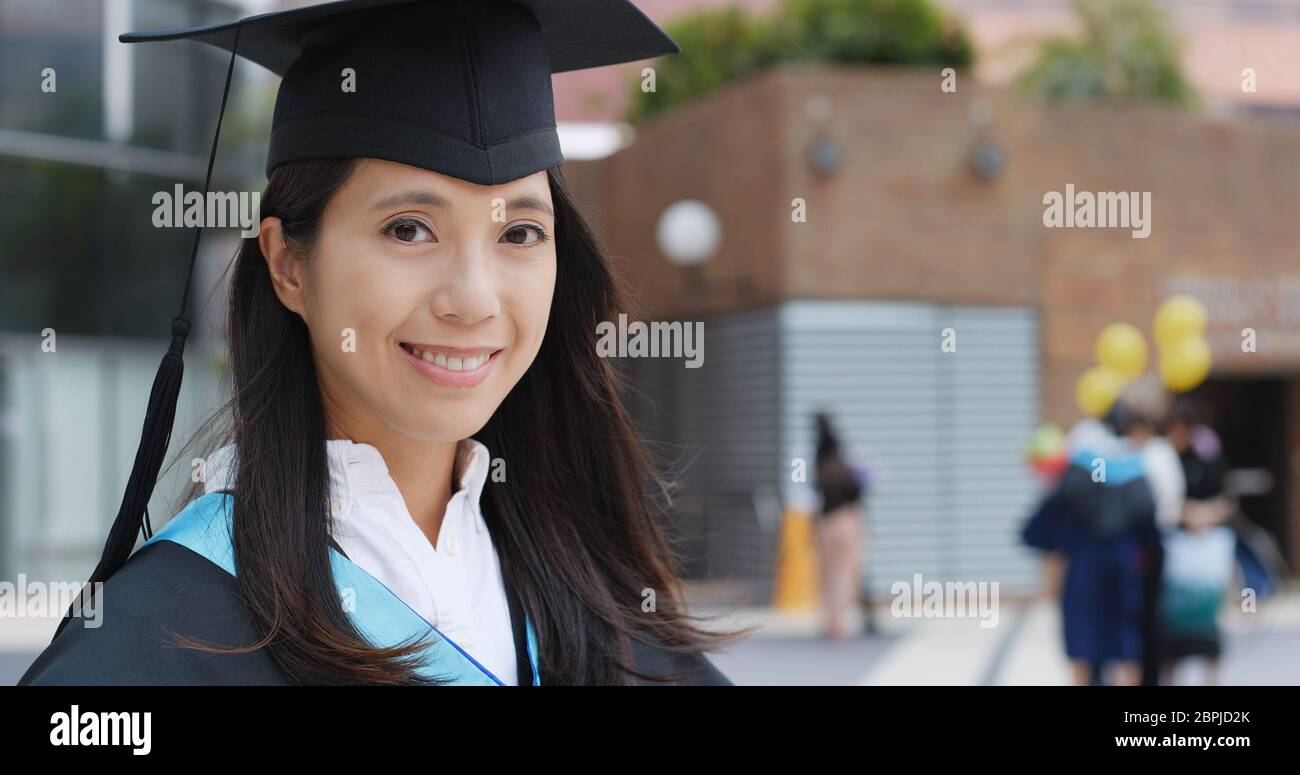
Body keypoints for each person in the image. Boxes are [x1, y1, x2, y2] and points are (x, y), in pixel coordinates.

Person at [20, 0, 738, 686]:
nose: (473, 299)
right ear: (287, 264)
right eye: (409, 229)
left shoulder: (608, 624)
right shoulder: (159, 644)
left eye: (519, 233)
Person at [1053, 376, 1182, 686]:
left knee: (1088, 636)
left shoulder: (1083, 453)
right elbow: (1157, 509)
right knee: (1128, 633)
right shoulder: (1140, 459)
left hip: (1091, 559)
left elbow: (1061, 504)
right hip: (1131, 558)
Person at [811, 413, 868, 640]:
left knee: (827, 572)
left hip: (825, 521)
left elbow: (809, 488)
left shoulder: (818, 466)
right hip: (844, 520)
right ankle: (838, 621)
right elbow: (858, 492)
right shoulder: (845, 468)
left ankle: (830, 619)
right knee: (844, 572)